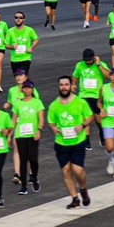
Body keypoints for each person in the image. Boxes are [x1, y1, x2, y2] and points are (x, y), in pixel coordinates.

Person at [47, 75, 92, 209]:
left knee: (77, 170)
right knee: (66, 171)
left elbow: (89, 117)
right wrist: (53, 128)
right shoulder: (54, 105)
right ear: (58, 87)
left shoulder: (80, 102)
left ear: (71, 86)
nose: (64, 87)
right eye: (61, 85)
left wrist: (82, 126)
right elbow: (51, 121)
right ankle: (74, 198)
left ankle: (83, 190)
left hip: (78, 141)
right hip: (61, 143)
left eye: (66, 85)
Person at [71, 48, 109, 152]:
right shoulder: (79, 65)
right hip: (83, 95)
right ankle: (86, 141)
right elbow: (75, 76)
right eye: (86, 61)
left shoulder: (100, 64)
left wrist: (99, 65)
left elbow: (109, 75)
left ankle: (101, 133)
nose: (87, 62)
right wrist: (74, 84)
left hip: (96, 96)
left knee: (98, 120)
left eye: (89, 60)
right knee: (85, 118)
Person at [11, 78, 44, 195]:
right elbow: (14, 120)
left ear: (32, 89)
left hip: (33, 134)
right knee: (23, 160)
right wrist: (11, 134)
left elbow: (41, 118)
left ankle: (34, 177)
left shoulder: (37, 102)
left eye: (29, 87)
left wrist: (39, 130)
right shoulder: (18, 103)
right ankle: (23, 187)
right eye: (25, 87)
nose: (27, 89)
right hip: (21, 134)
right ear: (22, 89)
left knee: (33, 159)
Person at [5, 11, 39, 76]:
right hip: (14, 59)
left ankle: (27, 85)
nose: (18, 19)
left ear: (24, 19)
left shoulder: (29, 30)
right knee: (17, 78)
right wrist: (12, 47)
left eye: (20, 18)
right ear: (14, 19)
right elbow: (6, 45)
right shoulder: (10, 31)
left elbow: (36, 39)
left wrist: (31, 47)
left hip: (26, 58)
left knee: (23, 76)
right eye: (16, 17)